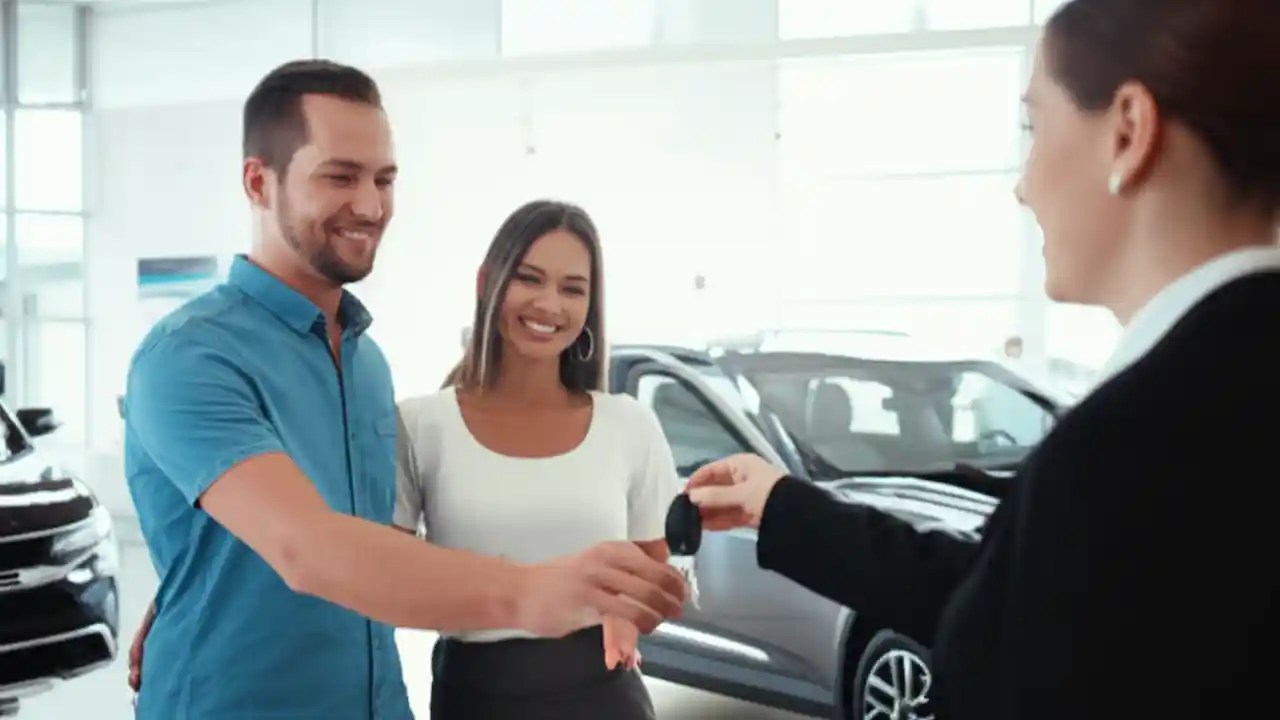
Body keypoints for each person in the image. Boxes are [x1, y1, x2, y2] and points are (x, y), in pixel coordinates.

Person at [685, 1, 1279, 718]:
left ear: (1128, 132)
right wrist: (782, 506)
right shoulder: (1212, 403)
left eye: (1034, 127)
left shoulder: (1129, 448)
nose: (1021, 185)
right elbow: (1012, 596)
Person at [122, 60, 684, 719]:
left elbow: (375, 541)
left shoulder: (367, 366)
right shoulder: (189, 356)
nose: (370, 205)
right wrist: (532, 592)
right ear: (258, 182)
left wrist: (184, 586)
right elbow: (306, 548)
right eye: (340, 175)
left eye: (384, 179)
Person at [394, 200, 680, 719]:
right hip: (474, 695)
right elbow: (386, 582)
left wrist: (632, 612)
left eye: (573, 288)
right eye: (530, 279)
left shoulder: (629, 425)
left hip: (604, 696)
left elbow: (662, 574)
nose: (550, 304)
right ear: (487, 284)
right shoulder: (419, 425)